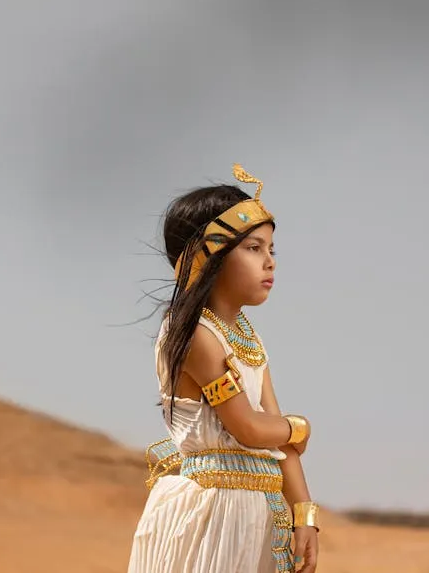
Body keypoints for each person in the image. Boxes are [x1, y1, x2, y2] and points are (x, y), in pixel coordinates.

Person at [128, 164, 319, 573]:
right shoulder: (196, 335)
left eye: (271, 250)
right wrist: (299, 426)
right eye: (253, 249)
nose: (269, 262)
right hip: (213, 515)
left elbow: (270, 433)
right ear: (207, 258)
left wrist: (304, 513)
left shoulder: (247, 338)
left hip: (253, 515)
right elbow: (249, 428)